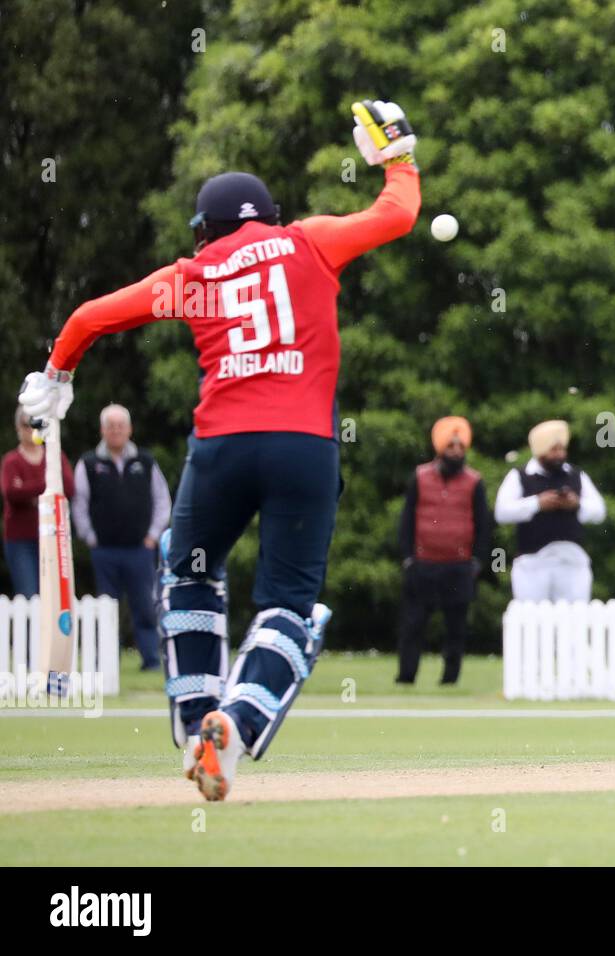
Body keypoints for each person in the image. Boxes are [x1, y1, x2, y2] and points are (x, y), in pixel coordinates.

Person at [18, 100, 421, 800]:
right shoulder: (310, 240)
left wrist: (58, 375)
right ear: (267, 215)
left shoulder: (192, 275)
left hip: (223, 448)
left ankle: (196, 711)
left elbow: (88, 317)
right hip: (303, 447)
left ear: (204, 231)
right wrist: (397, 154)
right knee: (289, 608)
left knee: (190, 575)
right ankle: (234, 720)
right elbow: (398, 213)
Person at [72, 404, 171, 670]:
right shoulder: (90, 463)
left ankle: (151, 660)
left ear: (129, 429)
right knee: (107, 607)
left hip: (140, 549)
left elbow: (162, 500)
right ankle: (107, 662)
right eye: (111, 426)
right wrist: (90, 536)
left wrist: (152, 536)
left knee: (146, 606)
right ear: (103, 429)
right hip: (104, 549)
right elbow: (79, 503)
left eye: (120, 425)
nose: (116, 430)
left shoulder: (145, 461)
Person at [396, 416, 492, 686]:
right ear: (440, 448)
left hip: (459, 565)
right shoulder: (420, 476)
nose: (456, 452)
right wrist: (407, 557)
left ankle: (450, 679)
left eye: (460, 447)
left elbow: (483, 523)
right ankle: (406, 676)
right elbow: (407, 518)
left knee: (456, 627)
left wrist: (477, 560)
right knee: (413, 624)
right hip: (423, 563)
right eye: (451, 446)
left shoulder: (474, 481)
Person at [494, 420, 606, 601]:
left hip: (571, 563)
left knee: (572, 620)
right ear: (540, 450)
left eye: (562, 449)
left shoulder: (576, 475)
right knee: (533, 622)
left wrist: (576, 504)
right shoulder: (520, 476)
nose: (560, 455)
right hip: (533, 564)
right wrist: (538, 503)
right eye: (554, 450)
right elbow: (501, 512)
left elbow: (599, 511)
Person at [2, 408, 74, 597]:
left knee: (54, 593)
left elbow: (69, 487)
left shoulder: (55, 455)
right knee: (28, 593)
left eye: (36, 425)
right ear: (18, 427)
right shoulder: (11, 461)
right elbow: (11, 493)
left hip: (52, 536)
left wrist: (27, 488)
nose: (31, 430)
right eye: (27, 425)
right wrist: (48, 485)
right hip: (21, 539)